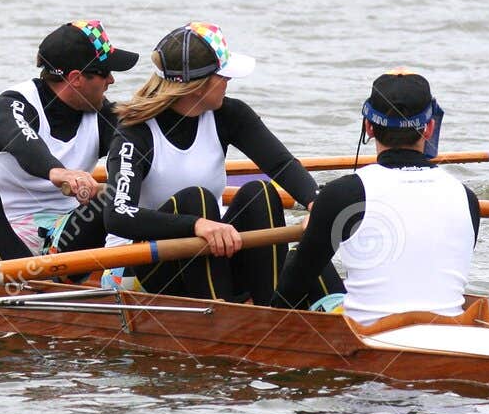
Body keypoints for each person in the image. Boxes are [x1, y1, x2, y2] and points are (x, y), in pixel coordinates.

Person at [102, 22, 336, 302]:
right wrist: (195, 224)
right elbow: (116, 215)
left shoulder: (230, 114)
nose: (229, 81)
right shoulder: (134, 133)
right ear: (198, 86)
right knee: (195, 199)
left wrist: (317, 205)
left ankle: (271, 311)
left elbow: (282, 165)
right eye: (223, 75)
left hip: (203, 257)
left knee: (259, 193)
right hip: (140, 266)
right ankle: (221, 316)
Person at [270, 70, 479, 325]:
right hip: (450, 335)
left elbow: (290, 292)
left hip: (368, 339)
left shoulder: (343, 193)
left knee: (297, 261)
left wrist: (317, 228)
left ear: (368, 127)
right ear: (430, 128)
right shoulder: (467, 198)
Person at [0, 19, 137, 264]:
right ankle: (29, 289)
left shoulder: (101, 116)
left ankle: (47, 284)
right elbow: (20, 139)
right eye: (105, 73)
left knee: (111, 197)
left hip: (57, 240)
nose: (111, 80)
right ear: (76, 78)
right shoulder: (10, 106)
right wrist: (57, 172)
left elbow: (136, 150)